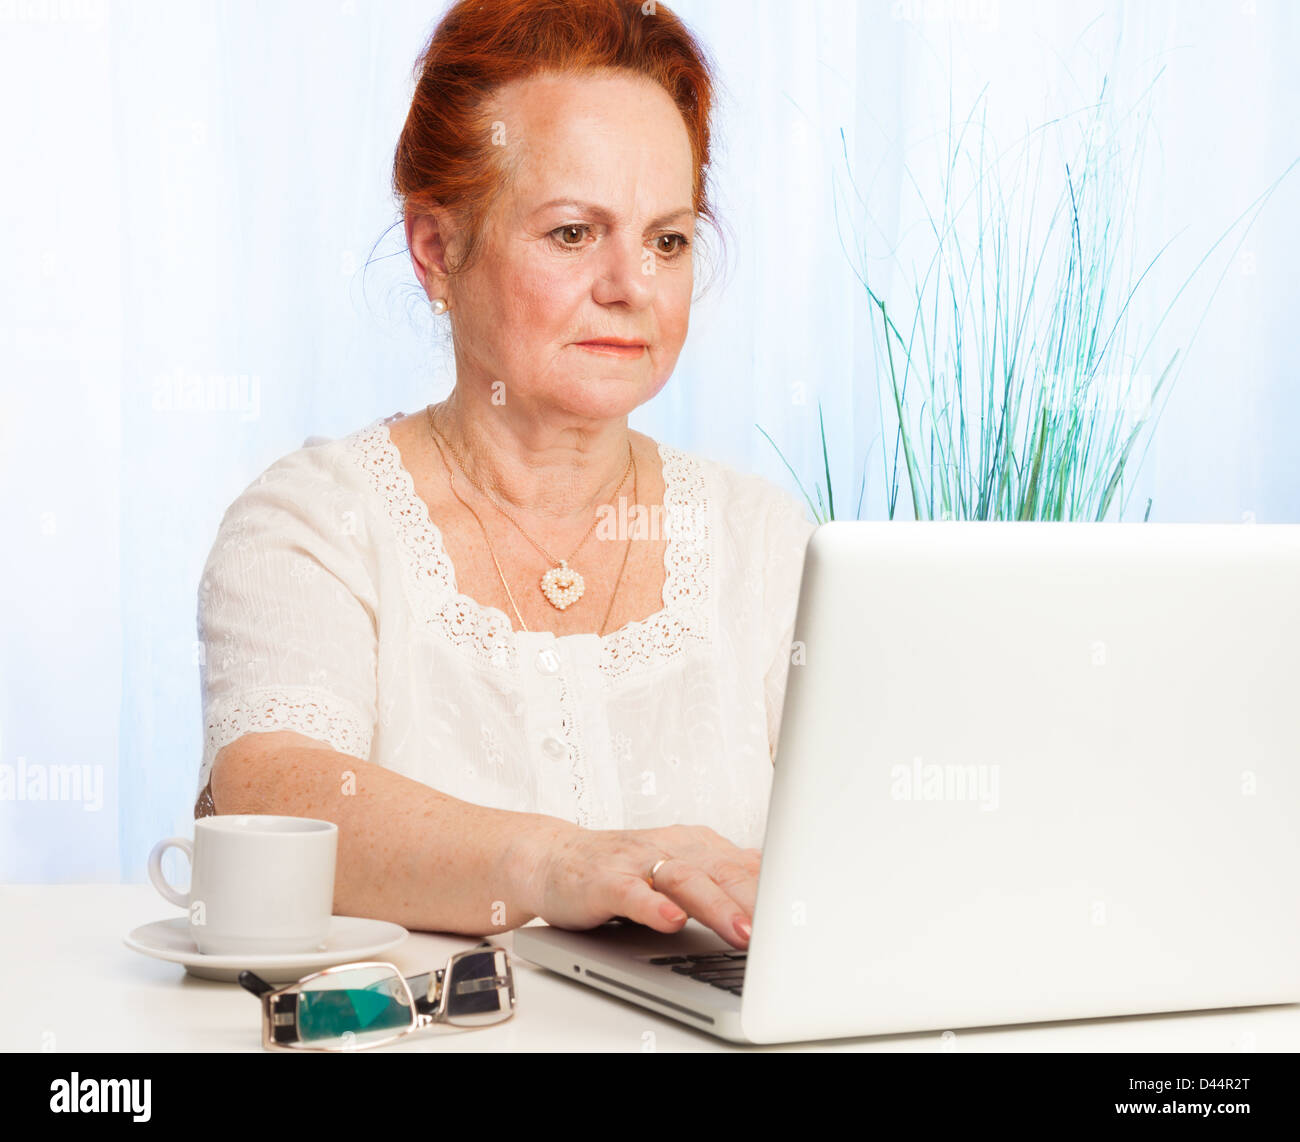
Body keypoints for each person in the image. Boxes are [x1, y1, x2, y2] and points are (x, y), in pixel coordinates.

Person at [196, 0, 814, 953]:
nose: (631, 285)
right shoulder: (315, 523)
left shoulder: (765, 539)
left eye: (668, 239)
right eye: (573, 233)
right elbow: (275, 793)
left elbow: (873, 835)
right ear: (437, 249)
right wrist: (554, 864)